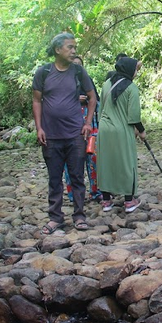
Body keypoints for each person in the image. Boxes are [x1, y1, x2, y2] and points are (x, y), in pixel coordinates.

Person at [32, 33, 97, 234]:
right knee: (54, 178)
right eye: (70, 47)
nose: (74, 51)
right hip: (50, 136)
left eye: (74, 47)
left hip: (75, 134)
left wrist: (87, 123)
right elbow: (36, 101)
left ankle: (79, 216)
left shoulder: (78, 71)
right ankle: (55, 218)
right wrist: (39, 128)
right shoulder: (43, 72)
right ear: (57, 49)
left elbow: (92, 97)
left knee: (77, 176)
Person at [96, 57, 146, 213]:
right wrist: (142, 131)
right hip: (122, 129)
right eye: (136, 69)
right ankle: (129, 201)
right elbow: (134, 116)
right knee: (127, 163)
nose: (136, 72)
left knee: (105, 163)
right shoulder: (132, 88)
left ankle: (106, 201)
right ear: (129, 70)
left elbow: (102, 108)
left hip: (104, 129)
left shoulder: (106, 84)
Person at [63, 55, 103, 203]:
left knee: (93, 158)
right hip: (69, 127)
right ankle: (74, 194)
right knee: (71, 161)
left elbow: (97, 102)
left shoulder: (88, 81)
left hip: (89, 124)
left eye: (79, 65)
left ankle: (96, 192)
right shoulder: (61, 83)